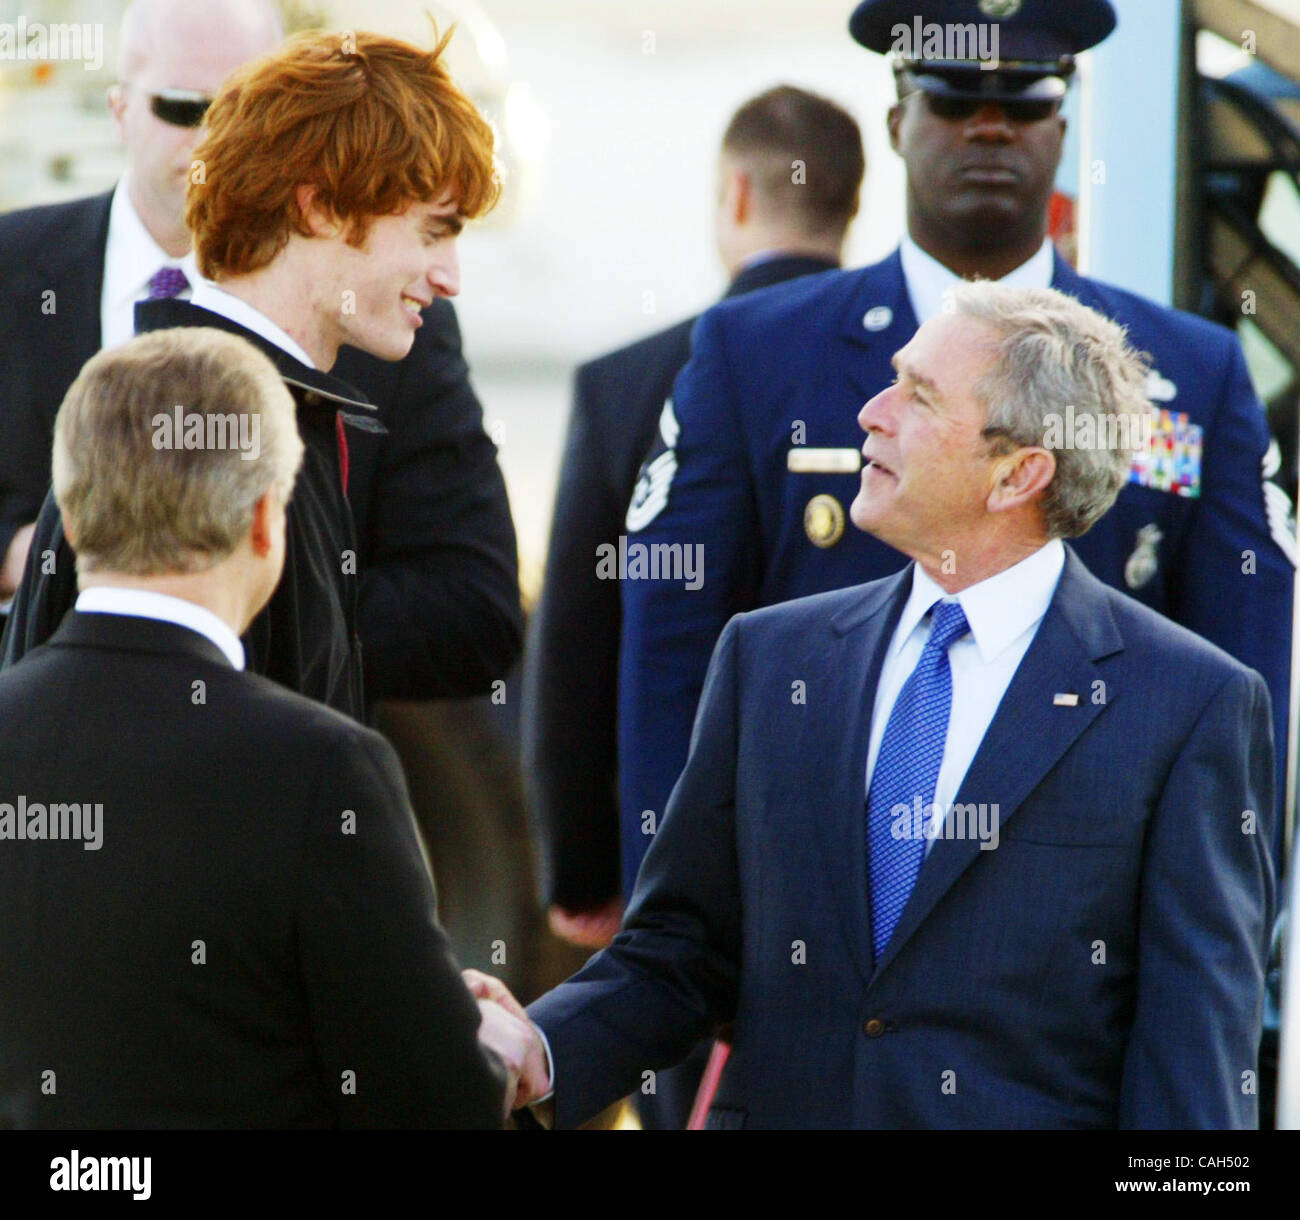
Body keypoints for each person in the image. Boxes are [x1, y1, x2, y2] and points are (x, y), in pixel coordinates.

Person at [475, 282, 1277, 1129]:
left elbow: (1193, 1066)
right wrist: (538, 1048)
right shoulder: (771, 657)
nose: (870, 412)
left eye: (918, 396)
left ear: (1019, 473)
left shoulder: (1189, 706)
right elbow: (680, 951)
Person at [617, 0, 1295, 924]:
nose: (988, 127)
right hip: (808, 914)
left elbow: (1246, 678)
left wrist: (1221, 930)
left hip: (1078, 943)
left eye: (1021, 101)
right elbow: (671, 658)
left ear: (1063, 124)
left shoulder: (1189, 372)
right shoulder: (756, 354)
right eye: (954, 98)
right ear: (897, 120)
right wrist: (683, 932)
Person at [0, 329, 539, 1128]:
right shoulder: (323, 765)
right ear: (264, 521)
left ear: (71, 523)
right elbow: (436, 1102)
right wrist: (481, 1040)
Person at [0, 0, 521, 703]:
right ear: (320, 208)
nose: (449, 276)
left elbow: (472, 611)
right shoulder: (177, 403)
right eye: (432, 232)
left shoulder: (167, 385)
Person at [525, 85, 865, 950]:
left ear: (737, 196)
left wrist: (583, 870)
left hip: (681, 876)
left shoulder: (628, 381)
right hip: (866, 863)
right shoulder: (911, 376)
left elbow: (576, 648)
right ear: (853, 203)